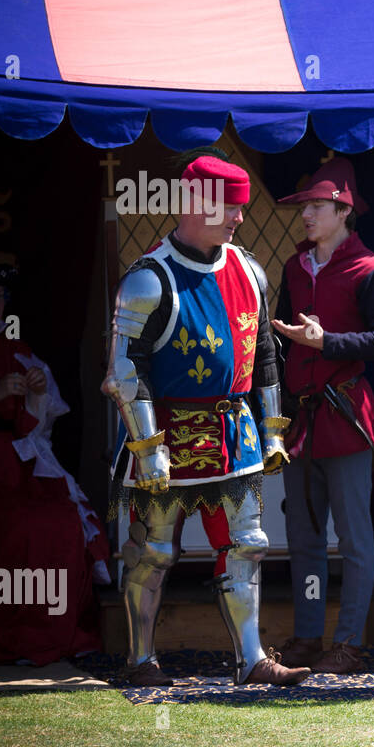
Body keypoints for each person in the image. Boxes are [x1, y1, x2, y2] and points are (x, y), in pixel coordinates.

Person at [103, 153, 308, 687]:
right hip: (166, 434)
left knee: (247, 546)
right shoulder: (148, 279)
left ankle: (252, 659)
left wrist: (273, 430)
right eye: (232, 208)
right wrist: (147, 447)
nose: (241, 217)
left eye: (242, 208)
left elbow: (264, 355)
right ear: (198, 205)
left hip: (234, 434)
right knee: (153, 551)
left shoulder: (248, 270)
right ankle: (141, 659)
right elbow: (125, 370)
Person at [272, 157, 374, 674]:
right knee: (304, 539)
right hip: (301, 421)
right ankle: (308, 638)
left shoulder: (373, 269)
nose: (306, 214)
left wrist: (328, 342)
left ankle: (347, 641)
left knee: (353, 539)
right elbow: (281, 341)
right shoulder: (293, 266)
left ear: (343, 211)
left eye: (317, 205)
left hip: (345, 417)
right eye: (305, 205)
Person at [0, 265, 109, 666]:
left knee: (63, 521)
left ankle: (60, 635)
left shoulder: (18, 349)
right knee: (19, 529)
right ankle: (15, 635)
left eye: (0, 298)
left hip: (23, 464)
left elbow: (41, 426)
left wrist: (36, 396)